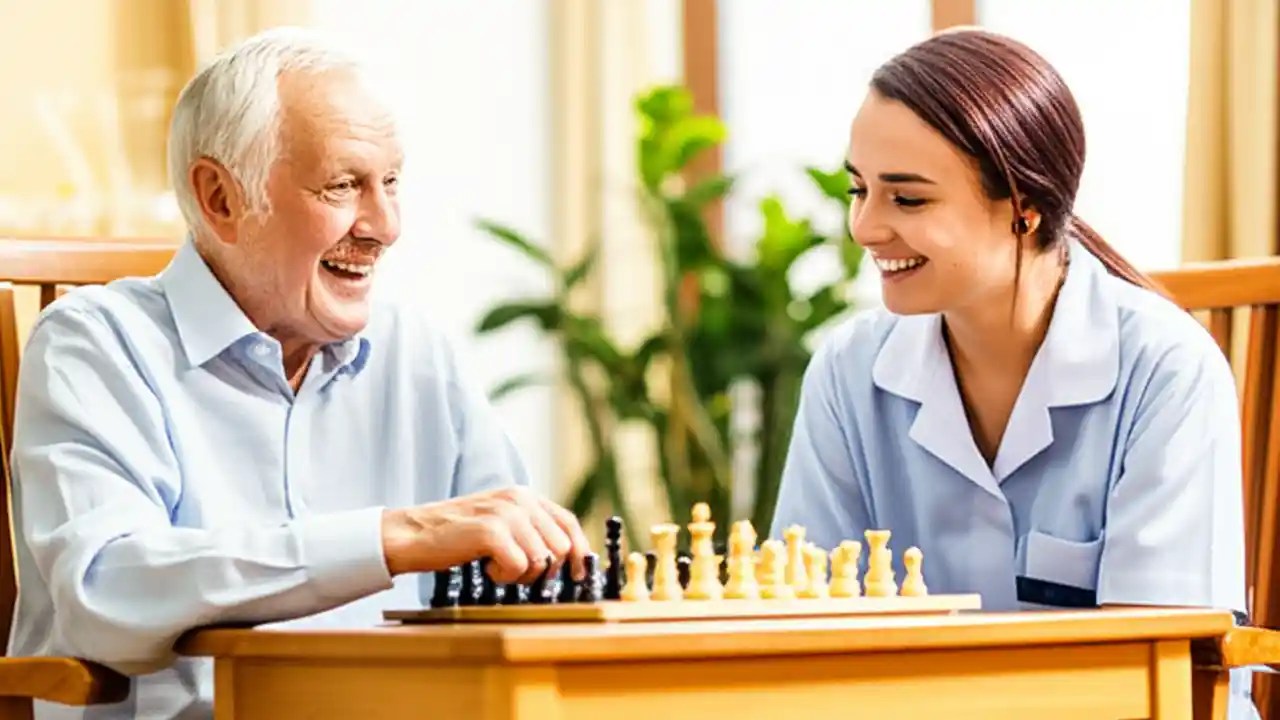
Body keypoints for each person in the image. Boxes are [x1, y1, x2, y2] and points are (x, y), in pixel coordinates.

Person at [7, 27, 591, 719]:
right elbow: (106, 590)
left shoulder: (415, 352)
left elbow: (518, 571)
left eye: (392, 182)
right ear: (221, 199)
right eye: (343, 185)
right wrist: (390, 539)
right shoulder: (97, 345)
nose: (384, 225)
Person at [769, 28, 1253, 716]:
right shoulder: (849, 374)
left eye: (908, 200)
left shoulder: (1166, 370)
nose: (865, 227)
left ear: (1025, 204)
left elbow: (1156, 672)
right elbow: (806, 629)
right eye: (859, 189)